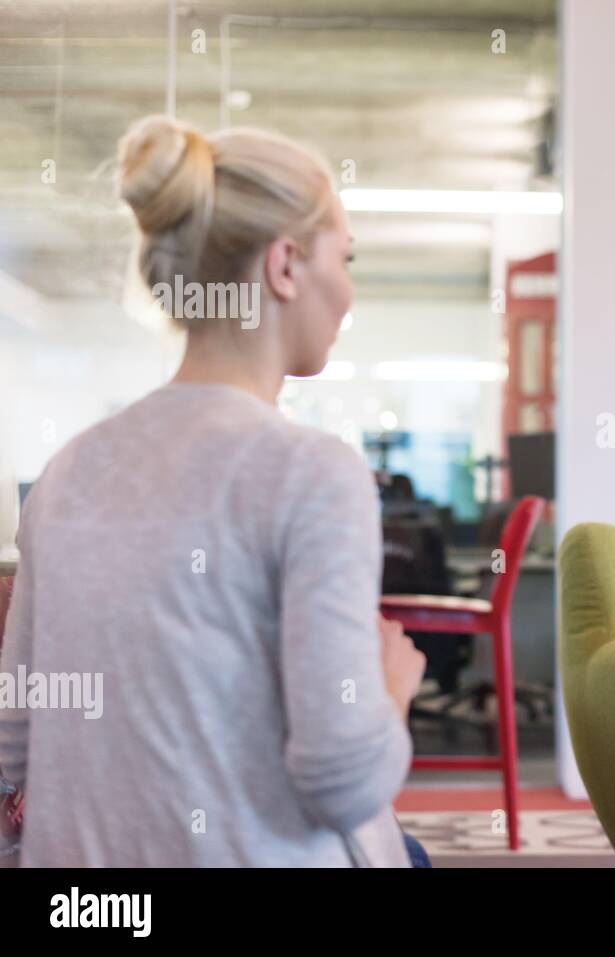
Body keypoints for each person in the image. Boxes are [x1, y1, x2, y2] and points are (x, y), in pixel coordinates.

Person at [0, 115, 426, 866]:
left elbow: (13, 750)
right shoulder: (313, 472)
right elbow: (341, 782)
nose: (349, 291)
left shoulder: (65, 473)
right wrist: (389, 690)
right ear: (287, 265)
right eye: (346, 257)